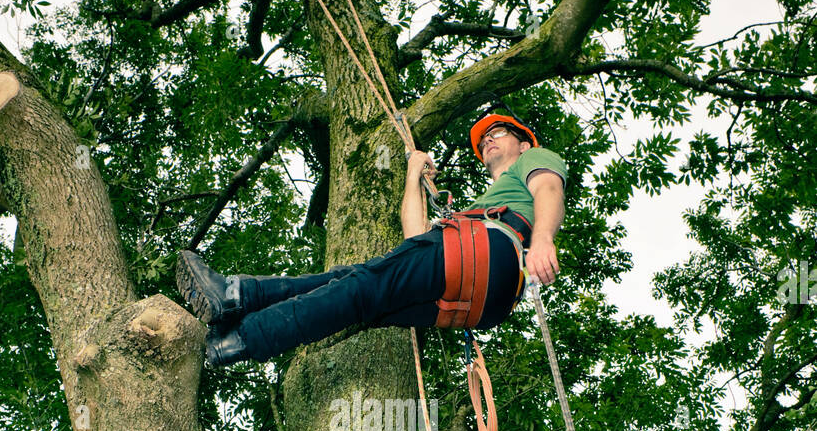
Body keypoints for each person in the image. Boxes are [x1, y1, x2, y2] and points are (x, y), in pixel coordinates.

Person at [175, 114, 567, 366]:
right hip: (480, 296)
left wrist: (545, 240)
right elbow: (415, 238)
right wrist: (414, 174)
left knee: (362, 286)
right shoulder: (484, 206)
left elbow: (548, 188)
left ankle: (235, 309)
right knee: (353, 292)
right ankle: (229, 334)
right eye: (483, 143)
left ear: (525, 144)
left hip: (490, 252)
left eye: (498, 134)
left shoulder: (534, 161)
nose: (488, 142)